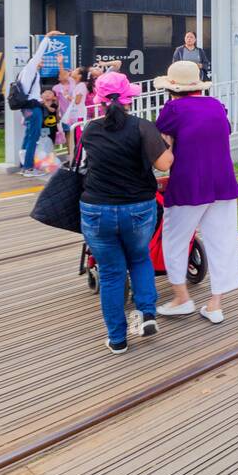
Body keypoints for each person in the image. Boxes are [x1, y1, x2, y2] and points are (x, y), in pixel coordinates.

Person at [79, 71, 173, 354]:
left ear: (100, 100)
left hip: (96, 209)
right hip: (137, 208)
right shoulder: (143, 127)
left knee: (110, 273)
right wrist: (167, 141)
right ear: (131, 98)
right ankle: (146, 314)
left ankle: (117, 339)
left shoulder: (89, 129)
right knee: (140, 258)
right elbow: (166, 164)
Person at [154, 60, 238, 324]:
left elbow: (164, 145)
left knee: (175, 239)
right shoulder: (217, 106)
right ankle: (215, 304)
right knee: (222, 240)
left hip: (188, 183)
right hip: (223, 181)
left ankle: (181, 298)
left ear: (173, 88)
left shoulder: (172, 109)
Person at [15, 30, 64, 176]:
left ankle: (24, 164)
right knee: (33, 137)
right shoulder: (30, 69)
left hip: (27, 107)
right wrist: (47, 38)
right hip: (33, 108)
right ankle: (29, 168)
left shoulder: (28, 73)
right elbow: (38, 54)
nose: (41, 62)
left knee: (28, 136)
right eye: (40, 61)